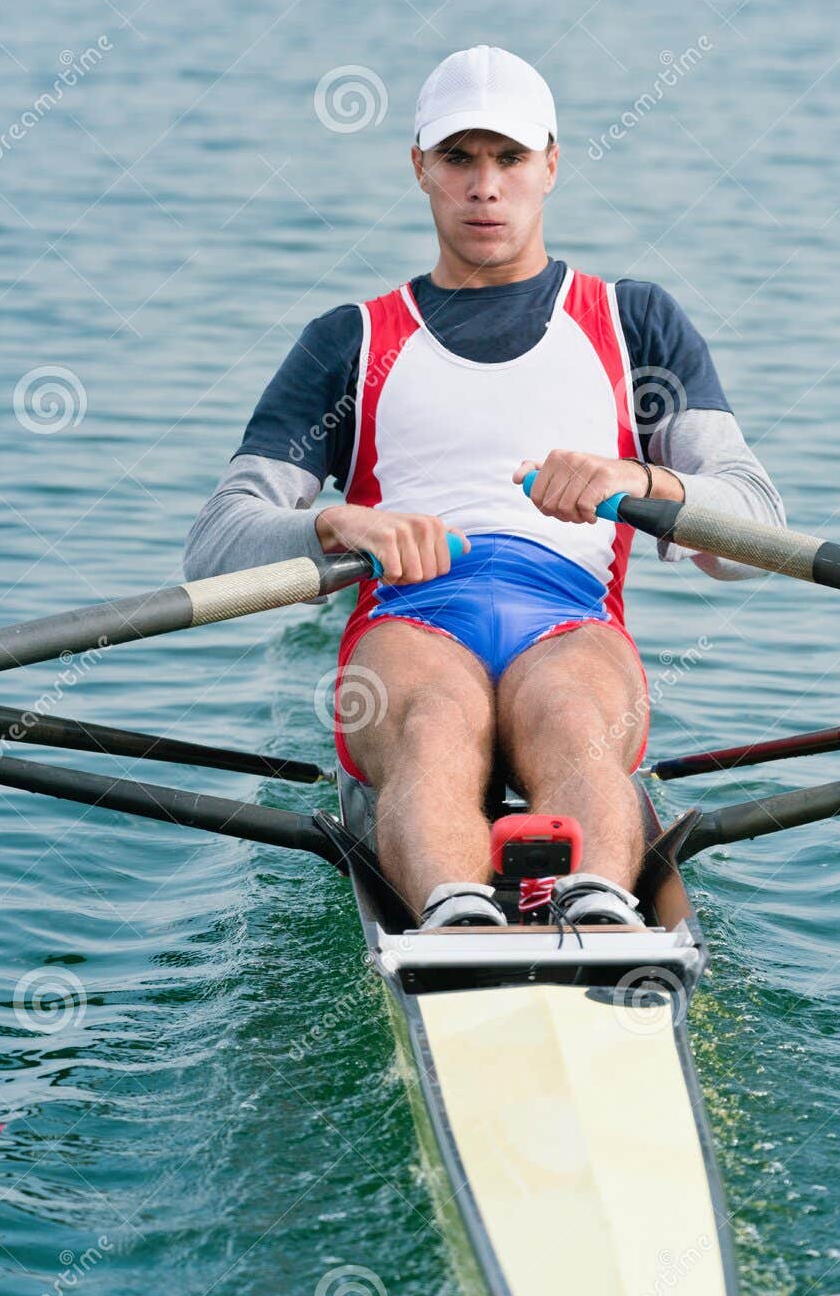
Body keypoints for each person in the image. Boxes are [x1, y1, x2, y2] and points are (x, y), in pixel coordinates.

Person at [185, 45, 785, 929]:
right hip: (412, 616)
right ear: (419, 168)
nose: (485, 186)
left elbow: (755, 539)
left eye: (508, 158)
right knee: (431, 725)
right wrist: (337, 524)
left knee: (575, 721)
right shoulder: (347, 340)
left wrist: (644, 479)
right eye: (459, 158)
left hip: (570, 615)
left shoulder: (634, 323)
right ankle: (458, 924)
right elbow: (215, 542)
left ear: (551, 164)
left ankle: (598, 913)